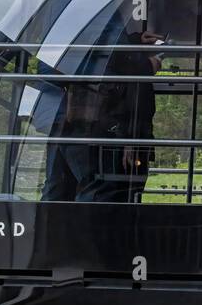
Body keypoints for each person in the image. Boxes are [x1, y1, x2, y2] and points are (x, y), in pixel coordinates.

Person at [42, 27, 161, 203]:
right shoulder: (106, 10)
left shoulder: (70, 21)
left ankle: (47, 229)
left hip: (65, 124)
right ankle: (88, 230)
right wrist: (145, 65)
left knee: (59, 190)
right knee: (100, 192)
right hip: (96, 126)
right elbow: (108, 62)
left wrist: (133, 41)